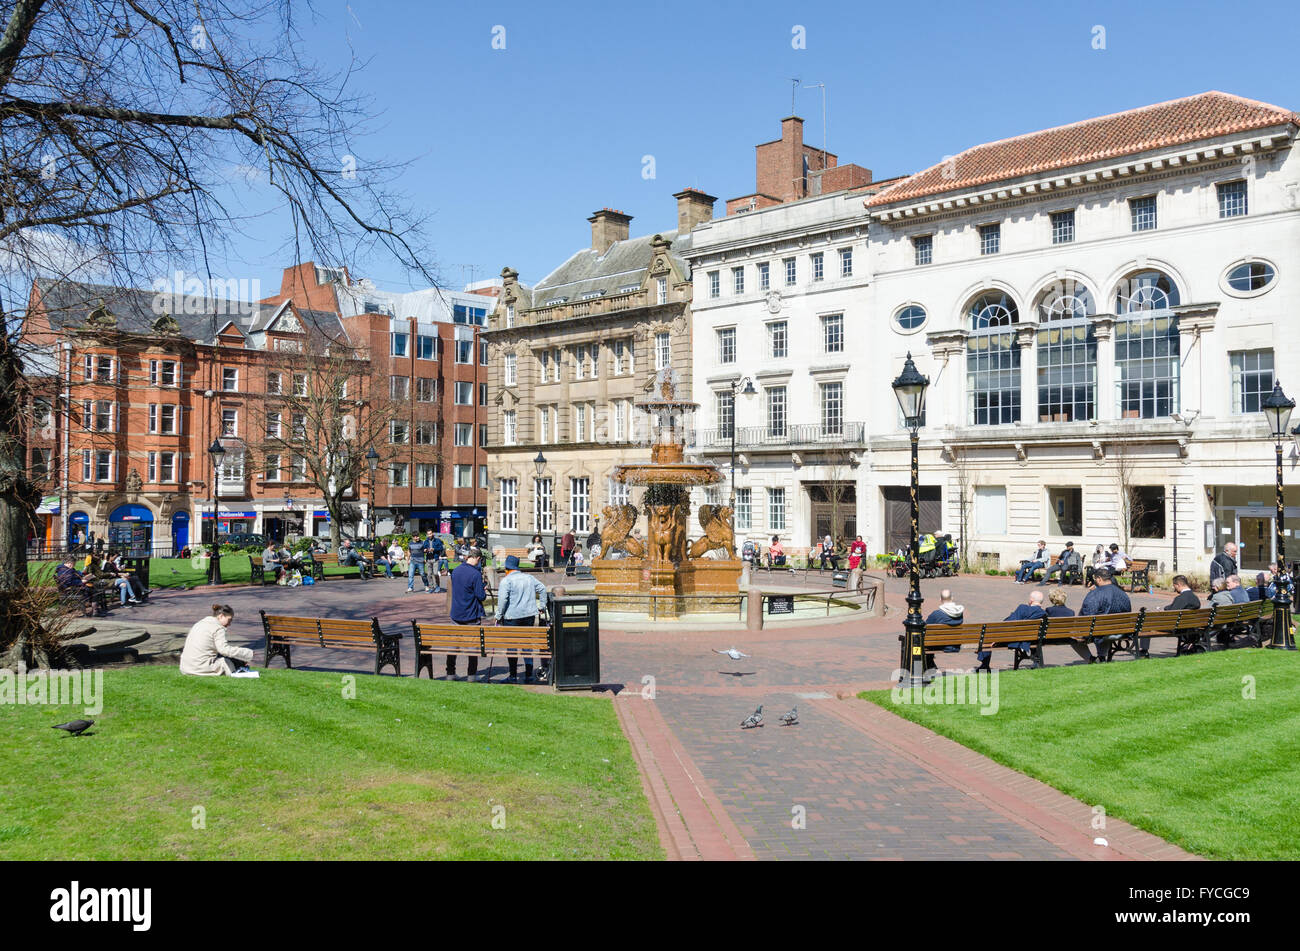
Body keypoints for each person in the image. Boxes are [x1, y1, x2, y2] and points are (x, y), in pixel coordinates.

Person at [495, 555, 550, 683]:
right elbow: (542, 589)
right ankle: (529, 674)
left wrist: (498, 616)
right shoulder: (529, 578)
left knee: (512, 646)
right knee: (527, 645)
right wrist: (541, 606)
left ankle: (513, 676)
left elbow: (502, 601)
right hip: (529, 616)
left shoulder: (506, 581)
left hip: (511, 617)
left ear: (507, 568)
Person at [1071, 567, 1132, 663]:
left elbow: (1087, 616)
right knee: (1102, 627)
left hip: (1101, 631)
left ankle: (1091, 659)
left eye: (1095, 579)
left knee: (1073, 635)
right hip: (1122, 630)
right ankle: (1101, 657)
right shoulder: (1123, 594)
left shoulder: (1095, 594)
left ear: (1099, 579)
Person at [180, 604, 255, 676]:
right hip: (200, 668)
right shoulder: (218, 628)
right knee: (230, 660)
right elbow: (224, 650)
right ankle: (242, 668)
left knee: (224, 657)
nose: (229, 624)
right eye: (229, 620)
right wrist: (247, 653)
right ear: (221, 616)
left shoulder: (199, 623)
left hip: (185, 667)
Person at [980, 590, 1047, 670]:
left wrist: (998, 637)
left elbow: (1008, 623)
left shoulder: (1023, 608)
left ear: (1031, 600)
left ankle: (985, 666)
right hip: (1030, 639)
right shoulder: (1044, 614)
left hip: (1013, 638)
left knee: (987, 636)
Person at [447, 548, 486, 680]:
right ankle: (471, 675)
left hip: (456, 613)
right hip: (471, 615)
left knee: (453, 645)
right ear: (478, 558)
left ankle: (450, 673)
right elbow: (481, 596)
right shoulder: (475, 574)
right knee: (472, 646)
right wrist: (483, 587)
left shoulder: (456, 571)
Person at [1140, 574, 1201, 657]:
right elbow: (1175, 608)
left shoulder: (1180, 598)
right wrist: (1167, 608)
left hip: (1176, 628)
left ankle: (1144, 651)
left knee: (1146, 623)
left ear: (1178, 585)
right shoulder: (1195, 598)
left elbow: (1171, 614)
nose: (1174, 588)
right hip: (1189, 627)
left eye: (1174, 586)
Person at [923, 589, 965, 672]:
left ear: (940, 600)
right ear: (952, 598)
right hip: (956, 644)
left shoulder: (936, 614)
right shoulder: (960, 613)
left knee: (926, 641)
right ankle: (931, 665)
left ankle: (929, 666)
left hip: (941, 644)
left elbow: (925, 626)